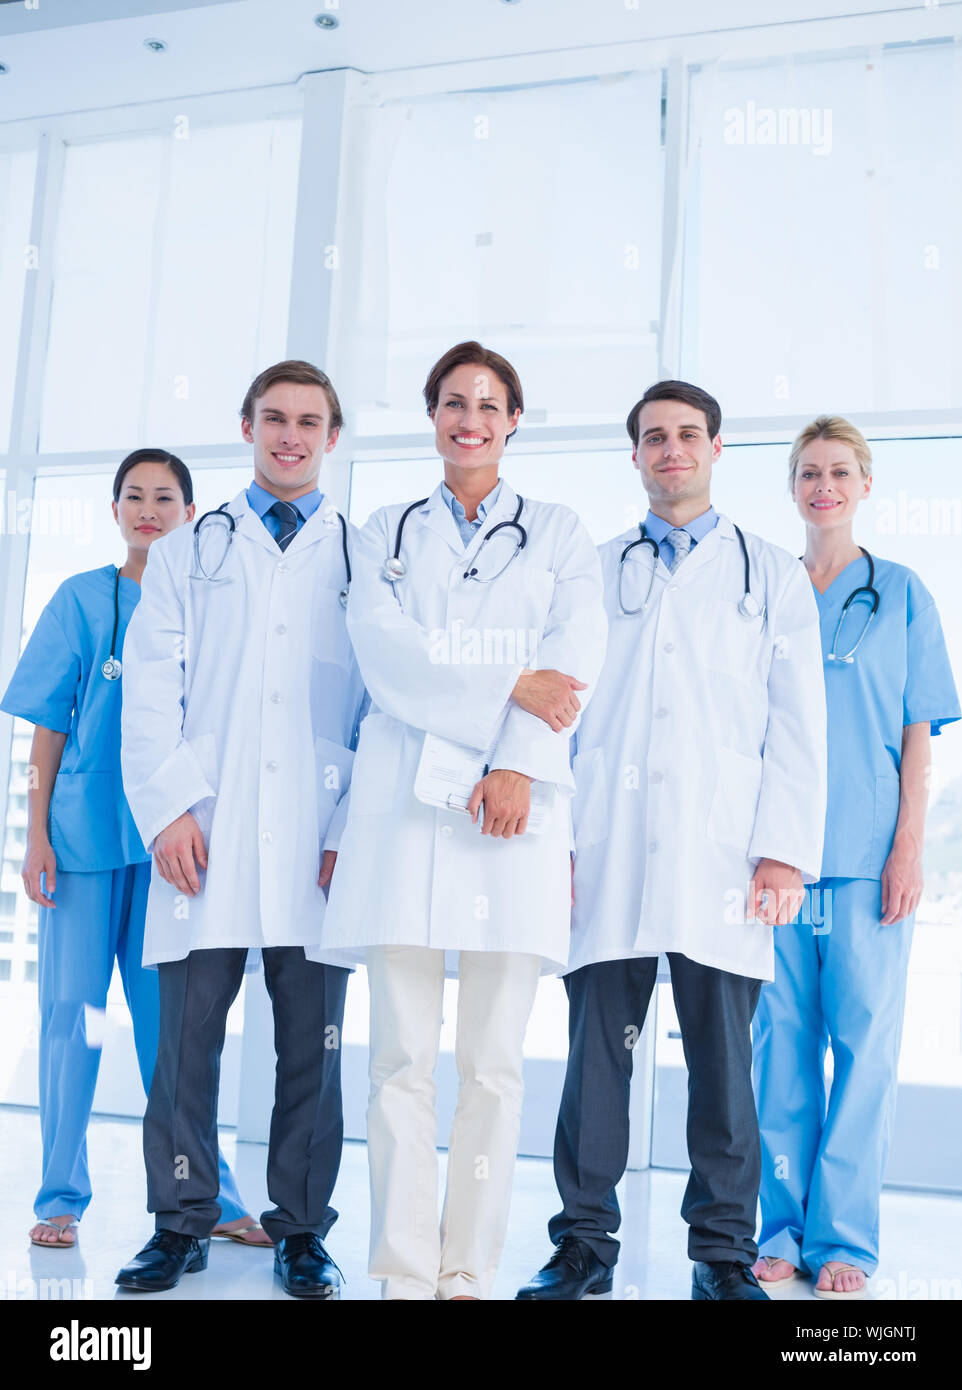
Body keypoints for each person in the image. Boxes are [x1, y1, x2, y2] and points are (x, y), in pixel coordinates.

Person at [518, 379, 828, 1302]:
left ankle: (723, 1253)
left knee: (724, 1071)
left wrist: (782, 851)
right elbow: (560, 714)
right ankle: (583, 1244)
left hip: (724, 857)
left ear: (717, 448)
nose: (671, 450)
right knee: (595, 1062)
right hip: (606, 849)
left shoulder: (768, 573)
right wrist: (553, 839)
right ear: (637, 456)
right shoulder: (593, 570)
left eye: (688, 434)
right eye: (654, 437)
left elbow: (798, 726)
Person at [318, 341, 607, 1300]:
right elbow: (384, 652)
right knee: (400, 1060)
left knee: (491, 1065)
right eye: (451, 402)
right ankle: (404, 1270)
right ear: (432, 415)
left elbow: (570, 667)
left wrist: (519, 763)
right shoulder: (384, 530)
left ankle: (465, 1268)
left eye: (488, 403)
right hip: (404, 813)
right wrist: (508, 683)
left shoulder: (560, 531)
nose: (469, 418)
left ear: (514, 418)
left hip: (514, 819)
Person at [114, 362, 366, 1298]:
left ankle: (301, 1231)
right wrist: (171, 807)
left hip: (317, 839)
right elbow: (150, 688)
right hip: (203, 833)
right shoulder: (189, 548)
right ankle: (181, 1223)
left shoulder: (361, 553)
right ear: (248, 426)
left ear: (332, 436)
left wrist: (349, 825)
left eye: (309, 422)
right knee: (186, 1048)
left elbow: (379, 704)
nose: (290, 436)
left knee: (314, 1046)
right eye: (274, 419)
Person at [0, 450, 266, 1251]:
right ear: (115, 507)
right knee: (71, 1024)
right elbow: (49, 722)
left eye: (165, 497)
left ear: (190, 511)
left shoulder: (214, 606)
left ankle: (209, 1195)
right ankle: (59, 1197)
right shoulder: (83, 598)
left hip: (173, 852)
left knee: (174, 1037)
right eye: (134, 496)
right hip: (82, 842)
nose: (148, 509)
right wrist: (36, 831)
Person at [751, 417, 960, 1299]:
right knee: (780, 1050)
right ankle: (781, 1231)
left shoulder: (902, 593)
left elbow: (919, 738)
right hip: (778, 861)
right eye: (808, 472)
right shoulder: (766, 588)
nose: (823, 486)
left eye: (839, 472)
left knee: (864, 1048)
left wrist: (908, 847)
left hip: (867, 860)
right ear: (792, 487)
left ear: (866, 484)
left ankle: (845, 1242)